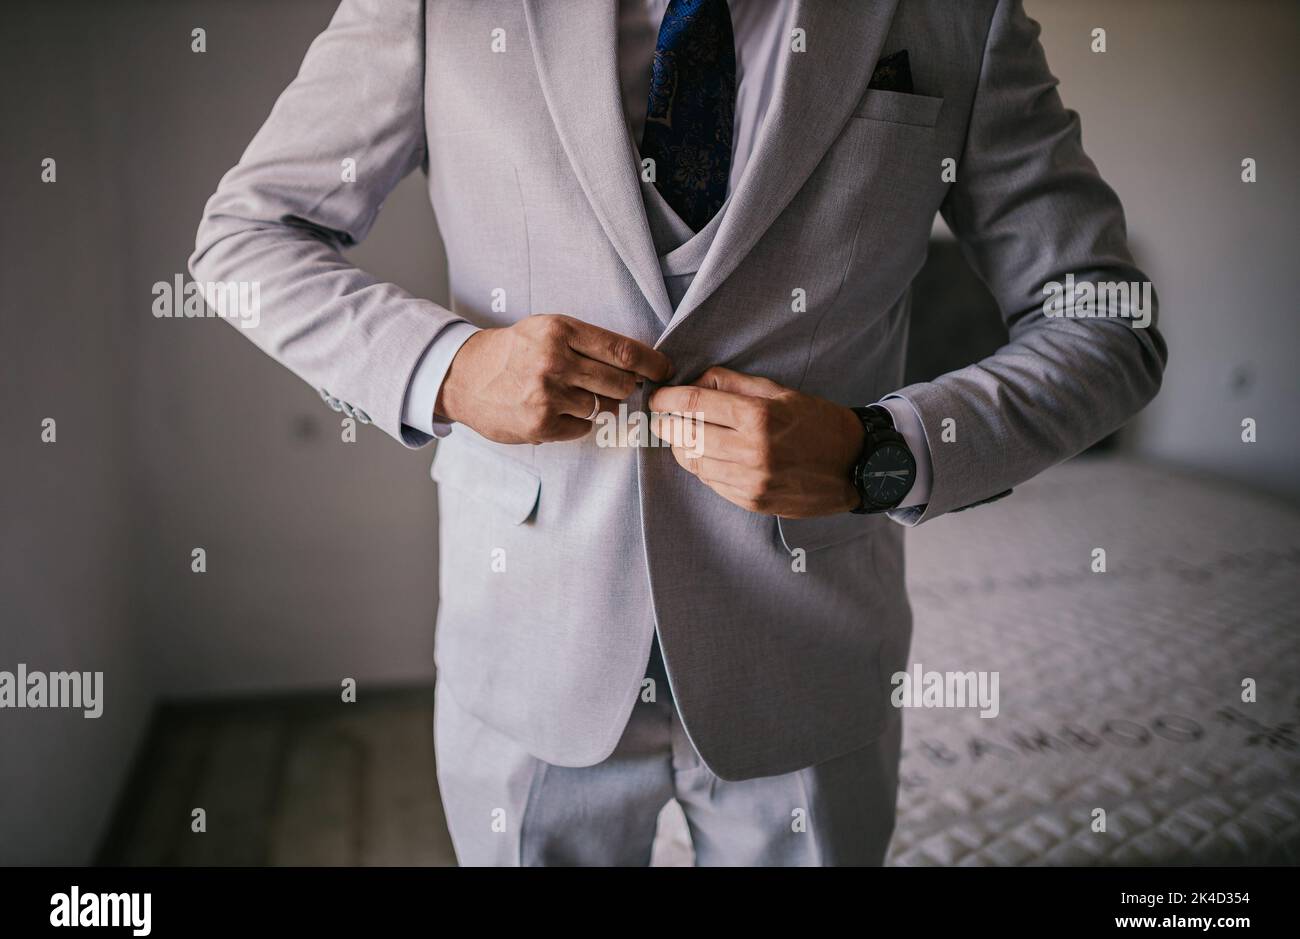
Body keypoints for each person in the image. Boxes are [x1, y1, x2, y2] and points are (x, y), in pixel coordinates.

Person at [190, 0, 1166, 865]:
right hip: (531, 639)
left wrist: (882, 450)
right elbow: (244, 242)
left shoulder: (954, 14)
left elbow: (1106, 318)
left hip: (805, 649)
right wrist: (445, 367)